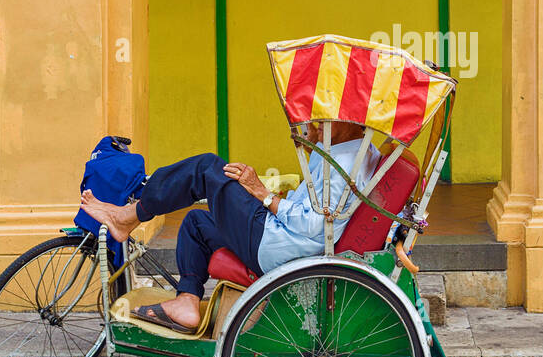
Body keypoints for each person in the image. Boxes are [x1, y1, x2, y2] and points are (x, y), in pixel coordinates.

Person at [79, 120, 381, 332]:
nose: (312, 125)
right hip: (281, 237)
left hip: (277, 244)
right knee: (197, 222)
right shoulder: (354, 152)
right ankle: (186, 302)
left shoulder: (344, 164)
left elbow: (314, 225)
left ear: (348, 121)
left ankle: (129, 216)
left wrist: (263, 194)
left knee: (206, 168)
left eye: (322, 120)